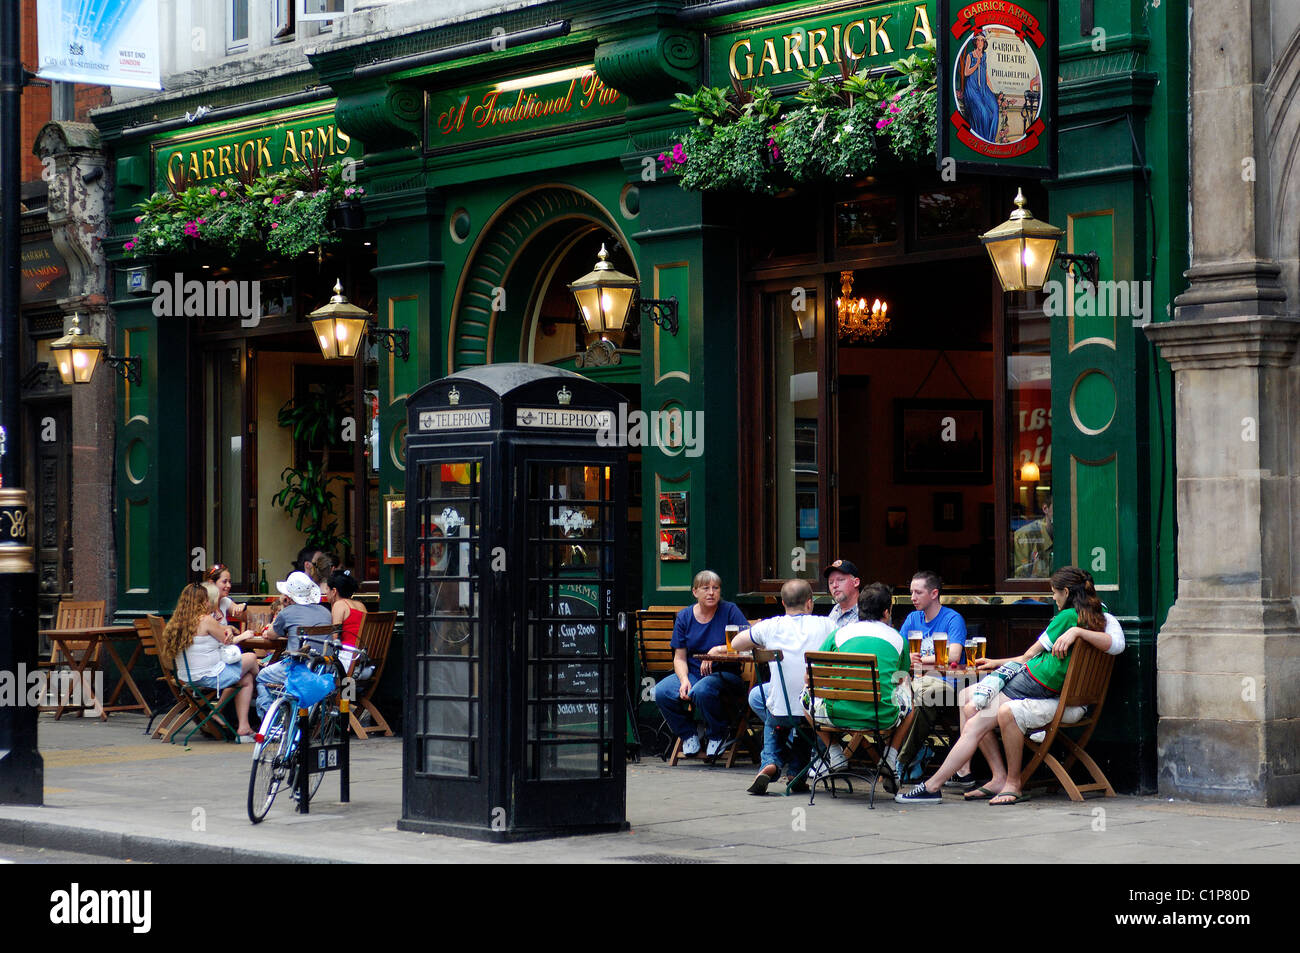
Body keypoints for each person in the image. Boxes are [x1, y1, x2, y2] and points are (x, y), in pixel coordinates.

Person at [895, 566, 1106, 805]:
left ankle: (934, 785)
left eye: (1054, 593)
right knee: (970, 705)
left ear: (1066, 592)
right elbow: (1111, 643)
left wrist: (997, 666)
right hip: (1045, 683)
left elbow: (1028, 657)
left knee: (974, 715)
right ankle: (990, 777)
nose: (1053, 598)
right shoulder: (1094, 617)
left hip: (1033, 682)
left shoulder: (1066, 617)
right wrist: (995, 663)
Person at [708, 578, 835, 795]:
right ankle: (796, 773)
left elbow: (736, 643)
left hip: (781, 711)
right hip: (814, 711)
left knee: (775, 718)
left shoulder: (771, 626)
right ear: (810, 603)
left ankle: (770, 762)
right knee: (803, 725)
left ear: (783, 604)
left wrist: (761, 640)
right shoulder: (827, 625)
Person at [807, 582, 909, 782]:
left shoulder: (837, 635)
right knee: (909, 699)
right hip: (883, 716)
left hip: (836, 714)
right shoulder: (898, 639)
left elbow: (810, 676)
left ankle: (835, 753)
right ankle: (890, 758)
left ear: (859, 609)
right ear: (886, 612)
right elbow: (901, 677)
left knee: (804, 695)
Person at [652, 570, 750, 760]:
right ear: (695, 592)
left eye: (716, 588)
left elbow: (749, 639)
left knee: (702, 690)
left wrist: (718, 650)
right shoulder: (685, 616)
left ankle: (718, 733)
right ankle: (689, 734)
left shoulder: (730, 610)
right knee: (661, 691)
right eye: (706, 588)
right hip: (693, 673)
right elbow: (679, 657)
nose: (711, 593)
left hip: (725, 675)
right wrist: (683, 680)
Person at [161, 582, 259, 739]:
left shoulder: (177, 622)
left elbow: (222, 634)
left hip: (186, 676)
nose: (209, 603)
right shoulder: (205, 619)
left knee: (246, 678)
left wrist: (225, 631)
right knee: (252, 658)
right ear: (201, 602)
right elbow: (227, 640)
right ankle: (263, 696)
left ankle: (243, 727)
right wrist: (239, 634)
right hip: (209, 675)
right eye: (206, 600)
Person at [255, 571, 332, 718]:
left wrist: (284, 608)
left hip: (297, 667)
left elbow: (270, 634)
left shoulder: (288, 612)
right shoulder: (325, 612)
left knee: (261, 677)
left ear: (289, 597)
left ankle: (271, 719)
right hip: (323, 668)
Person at [322, 569, 366, 672]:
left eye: (327, 589)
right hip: (364, 662)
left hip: (348, 661)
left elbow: (335, 638)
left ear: (334, 591)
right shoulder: (361, 605)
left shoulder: (339, 605)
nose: (325, 592)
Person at [960, 29, 999, 142]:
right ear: (975, 42)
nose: (980, 43)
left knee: (995, 109)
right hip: (972, 88)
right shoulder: (970, 55)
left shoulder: (984, 55)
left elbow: (986, 74)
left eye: (982, 40)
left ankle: (990, 139)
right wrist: (976, 63)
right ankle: (983, 139)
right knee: (984, 112)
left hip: (983, 88)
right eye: (978, 40)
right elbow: (966, 72)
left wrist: (992, 90)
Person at [1013, 495, 1053, 578]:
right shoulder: (1025, 535)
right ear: (1045, 508)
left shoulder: (1068, 535)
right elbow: (1020, 578)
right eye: (1058, 508)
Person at [823, 558, 862, 627]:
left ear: (856, 582)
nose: (834, 585)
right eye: (831, 582)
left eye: (840, 580)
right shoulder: (835, 610)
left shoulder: (868, 611)